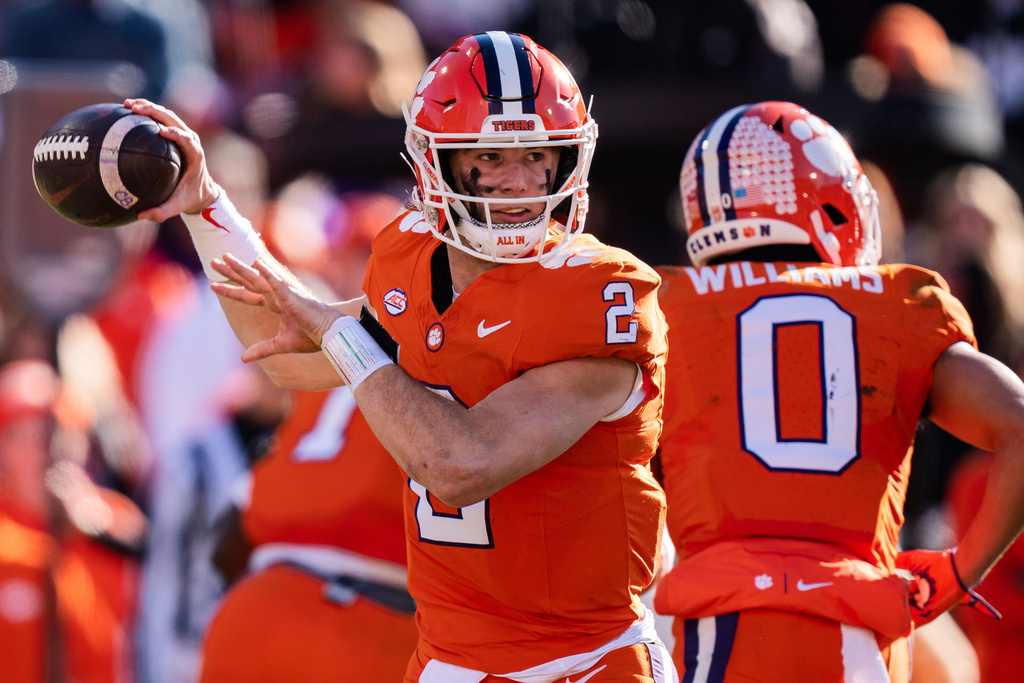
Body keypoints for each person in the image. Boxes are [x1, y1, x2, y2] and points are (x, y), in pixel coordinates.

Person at [125, 30, 676, 683]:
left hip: (582, 659)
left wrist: (345, 338)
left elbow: (461, 462)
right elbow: (284, 351)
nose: (521, 182)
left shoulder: (600, 291)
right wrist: (208, 210)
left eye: (538, 154)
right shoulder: (409, 255)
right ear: (435, 161)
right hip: (447, 658)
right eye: (490, 157)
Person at [651, 101, 1024, 682]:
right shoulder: (900, 306)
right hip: (856, 636)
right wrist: (959, 575)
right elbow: (1018, 424)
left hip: (716, 634)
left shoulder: (661, 308)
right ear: (830, 200)